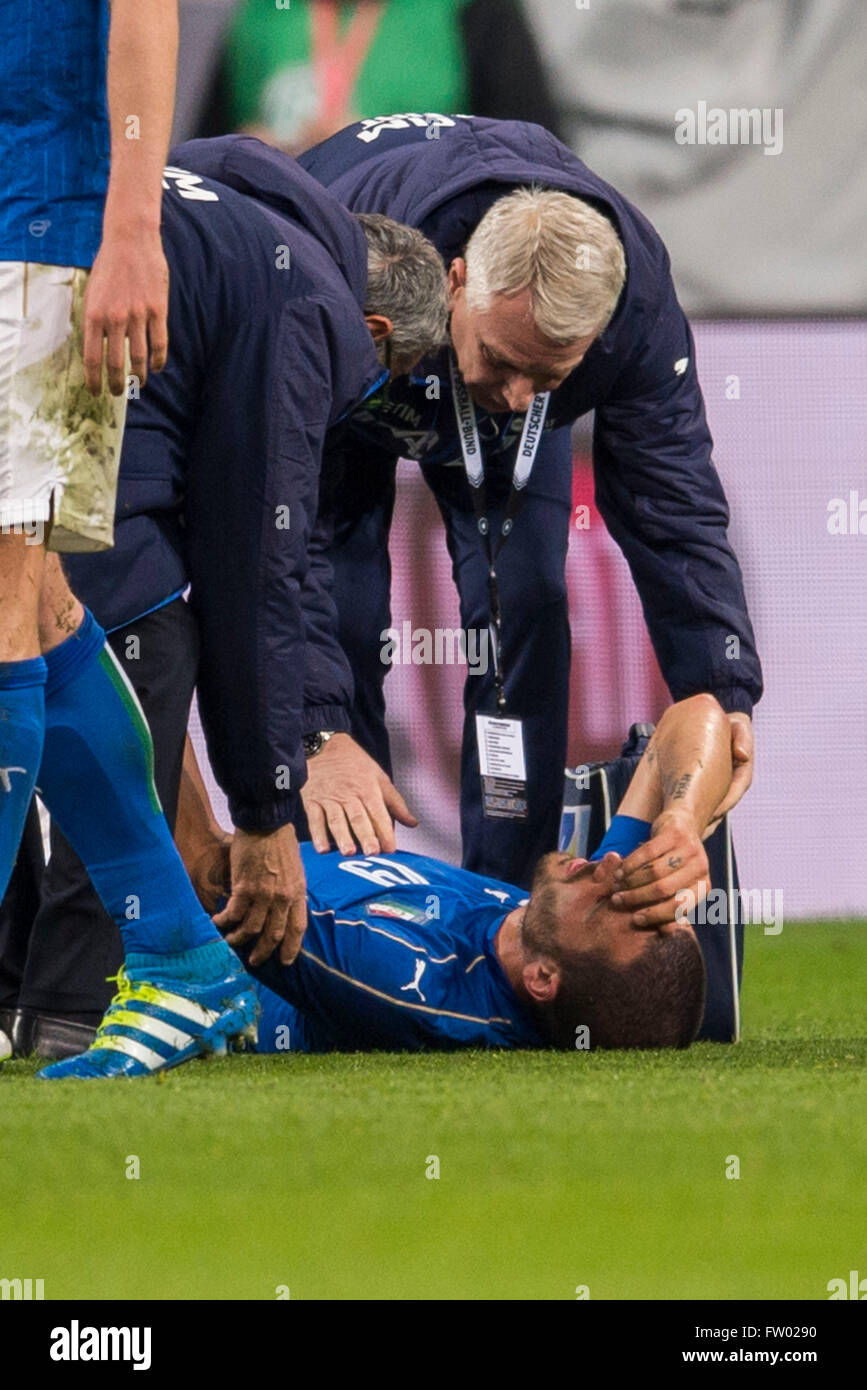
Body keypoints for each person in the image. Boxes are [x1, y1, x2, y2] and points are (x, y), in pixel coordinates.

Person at [7, 137, 448, 1073]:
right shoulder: (306, 313)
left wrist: (252, 803)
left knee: (67, 620)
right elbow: (256, 571)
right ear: (374, 338)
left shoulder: (230, 201)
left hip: (41, 286)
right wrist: (264, 815)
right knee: (104, 630)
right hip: (48, 315)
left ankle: (69, 998)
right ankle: (94, 988)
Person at [279, 114, 764, 890]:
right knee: (338, 610)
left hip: (466, 382)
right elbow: (281, 521)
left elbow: (672, 497)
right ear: (457, 277)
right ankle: (342, 901)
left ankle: (509, 906)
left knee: (525, 605)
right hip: (348, 394)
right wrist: (314, 730)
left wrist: (721, 687)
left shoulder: (633, 311)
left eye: (546, 376)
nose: (510, 398)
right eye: (503, 360)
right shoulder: (343, 267)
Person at [0, 1, 265, 1079]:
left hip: (43, 244)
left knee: (7, 610)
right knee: (49, 611)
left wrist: (130, 228)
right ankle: (180, 954)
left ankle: (175, 951)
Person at [207, 692, 733, 1057]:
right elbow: (693, 715)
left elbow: (206, 876)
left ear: (543, 979)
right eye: (641, 888)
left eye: (607, 900)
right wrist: (683, 820)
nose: (612, 866)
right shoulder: (558, 922)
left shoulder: (411, 982)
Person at [196, 0, 562, 155]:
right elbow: (199, 154)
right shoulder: (262, 14)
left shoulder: (475, 11)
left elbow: (533, 158)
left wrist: (380, 151)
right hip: (280, 245)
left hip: (418, 262)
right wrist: (244, 153)